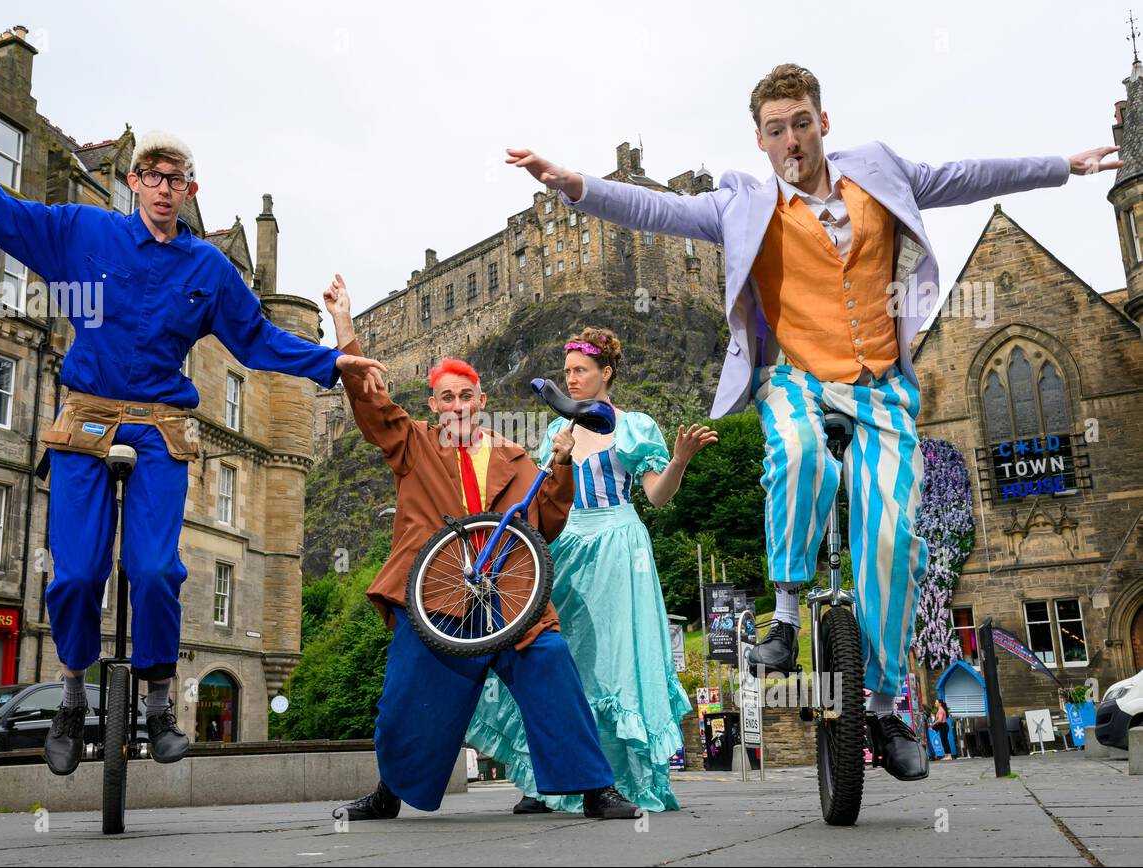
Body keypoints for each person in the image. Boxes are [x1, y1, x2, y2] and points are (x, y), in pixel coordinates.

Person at [506, 62, 1119, 782]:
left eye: (801, 123)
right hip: (795, 376)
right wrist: (571, 183)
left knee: (893, 531)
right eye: (776, 129)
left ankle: (887, 707)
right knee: (798, 456)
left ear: (822, 122)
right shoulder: (742, 203)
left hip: (882, 386)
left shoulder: (879, 172)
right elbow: (656, 213)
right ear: (760, 139)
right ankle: (788, 613)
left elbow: (963, 175)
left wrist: (1064, 166)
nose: (791, 139)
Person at [0, 52, 385, 776]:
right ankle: (68, 694)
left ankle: (158, 701)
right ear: (133, 182)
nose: (163, 188)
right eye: (151, 175)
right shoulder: (79, 234)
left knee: (156, 569)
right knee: (75, 575)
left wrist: (332, 361)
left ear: (190, 190)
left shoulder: (207, 269)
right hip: (85, 421)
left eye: (175, 178)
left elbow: (255, 339)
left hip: (159, 428)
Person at [323, 276, 641, 821]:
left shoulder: (517, 456)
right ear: (434, 404)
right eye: (446, 397)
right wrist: (345, 328)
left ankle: (595, 790)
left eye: (466, 395)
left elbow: (546, 522)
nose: (457, 405)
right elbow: (373, 406)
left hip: (511, 598)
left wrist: (561, 465)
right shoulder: (414, 443)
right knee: (405, 695)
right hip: (437, 597)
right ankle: (389, 792)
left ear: (482, 400)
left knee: (552, 663)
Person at [466, 328, 716, 813]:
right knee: (557, 659)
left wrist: (680, 461)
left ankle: (619, 780)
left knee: (616, 662)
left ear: (607, 374)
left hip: (618, 545)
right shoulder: (554, 434)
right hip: (564, 546)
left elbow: (656, 496)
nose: (572, 379)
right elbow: (540, 501)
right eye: (567, 373)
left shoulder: (633, 426)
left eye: (581, 371)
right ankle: (545, 780)